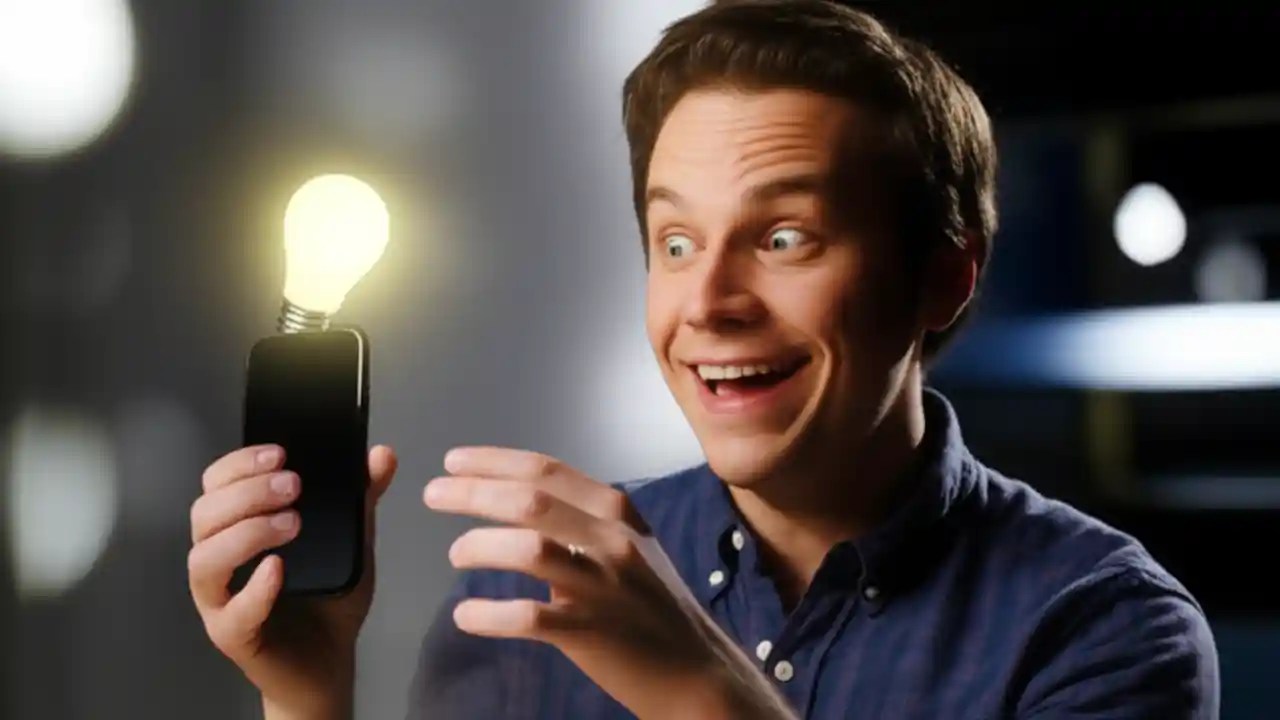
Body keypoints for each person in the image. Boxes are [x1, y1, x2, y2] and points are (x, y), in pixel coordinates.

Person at [187, 1, 1220, 718]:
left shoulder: (1101, 630)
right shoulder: (521, 603)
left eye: (782, 240)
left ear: (942, 279)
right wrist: (306, 696)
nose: (709, 304)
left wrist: (696, 694)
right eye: (674, 244)